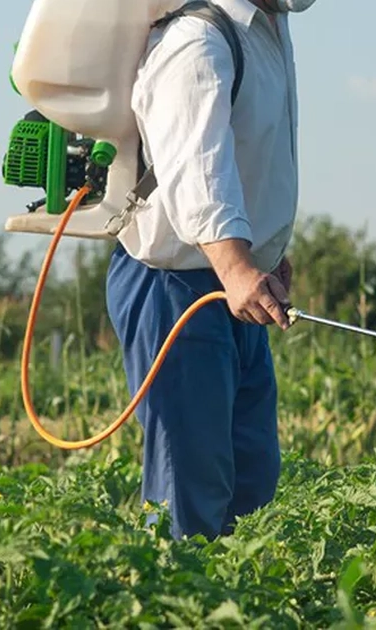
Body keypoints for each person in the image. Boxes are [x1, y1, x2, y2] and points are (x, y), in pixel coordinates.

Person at [106, 0, 315, 541]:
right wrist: (237, 262)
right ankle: (170, 587)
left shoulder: (268, 31)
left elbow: (251, 154)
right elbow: (197, 168)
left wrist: (265, 252)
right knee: (190, 492)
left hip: (228, 280)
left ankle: (231, 590)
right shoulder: (197, 38)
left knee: (252, 479)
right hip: (176, 286)